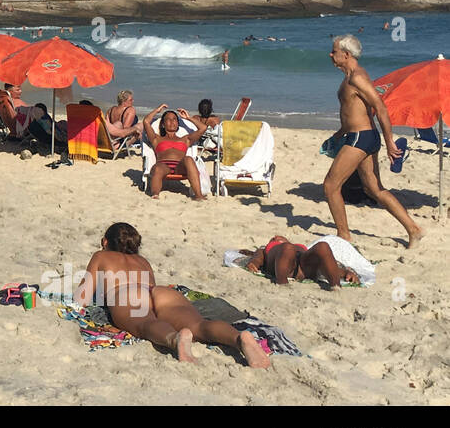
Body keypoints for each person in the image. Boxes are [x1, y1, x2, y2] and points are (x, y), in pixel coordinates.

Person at [75, 223, 269, 368]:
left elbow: (82, 298)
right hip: (160, 292)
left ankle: (175, 339)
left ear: (104, 242)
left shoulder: (101, 256)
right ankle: (239, 338)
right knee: (199, 325)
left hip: (128, 294)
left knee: (146, 324)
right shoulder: (142, 260)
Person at [322, 34, 422, 247]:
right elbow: (355, 112)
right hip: (360, 136)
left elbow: (381, 108)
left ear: (346, 54)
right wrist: (339, 134)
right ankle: (413, 230)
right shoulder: (349, 77)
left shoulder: (357, 77)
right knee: (374, 189)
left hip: (361, 138)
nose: (331, 55)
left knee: (331, 185)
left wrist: (390, 142)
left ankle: (344, 235)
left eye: (334, 51)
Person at [142, 104, 208, 200]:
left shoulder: (186, 139)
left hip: (180, 167)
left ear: (178, 123)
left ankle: (198, 195)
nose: (172, 122)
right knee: (157, 168)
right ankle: (155, 194)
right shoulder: (157, 139)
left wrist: (188, 118)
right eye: (168, 119)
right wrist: (157, 111)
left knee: (189, 159)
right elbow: (146, 122)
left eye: (174, 119)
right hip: (163, 167)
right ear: (163, 124)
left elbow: (203, 128)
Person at [243, 236, 359, 289]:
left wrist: (344, 272)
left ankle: (335, 284)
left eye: (277, 237)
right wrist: (254, 262)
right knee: (287, 249)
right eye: (273, 239)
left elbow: (321, 263)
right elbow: (258, 256)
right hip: (285, 268)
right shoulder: (267, 249)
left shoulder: (298, 247)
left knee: (322, 247)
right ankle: (282, 284)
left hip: (305, 268)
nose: (276, 237)